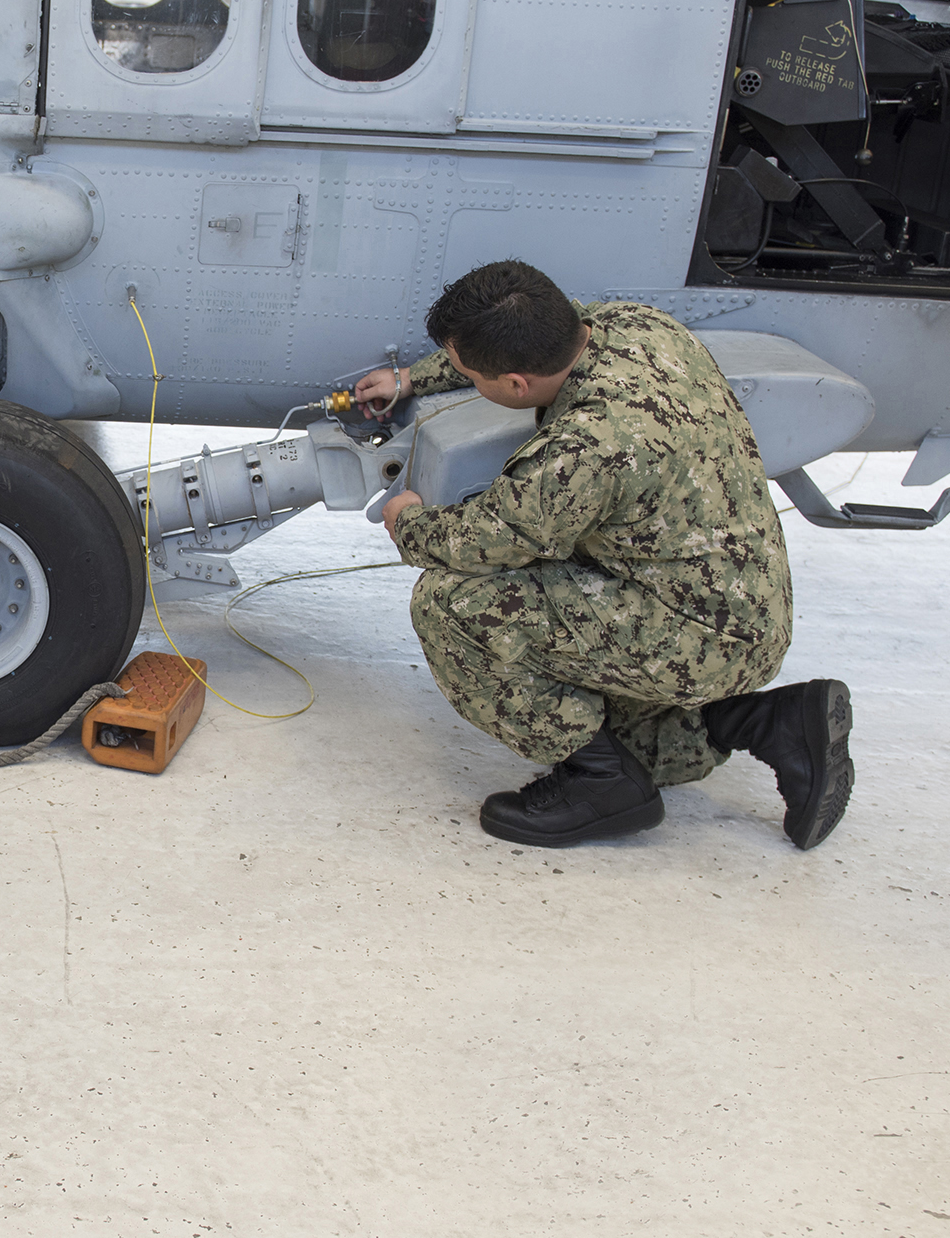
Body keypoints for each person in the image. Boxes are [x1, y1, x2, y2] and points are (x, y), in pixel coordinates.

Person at [353, 260, 852, 849]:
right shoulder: (635, 324)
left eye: (471, 374)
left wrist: (405, 518)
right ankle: (769, 722)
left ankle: (601, 784)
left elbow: (478, 542)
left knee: (456, 607)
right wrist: (412, 378)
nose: (467, 379)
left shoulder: (589, 445)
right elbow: (513, 347)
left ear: (515, 384)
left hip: (705, 636)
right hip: (737, 600)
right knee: (621, 725)